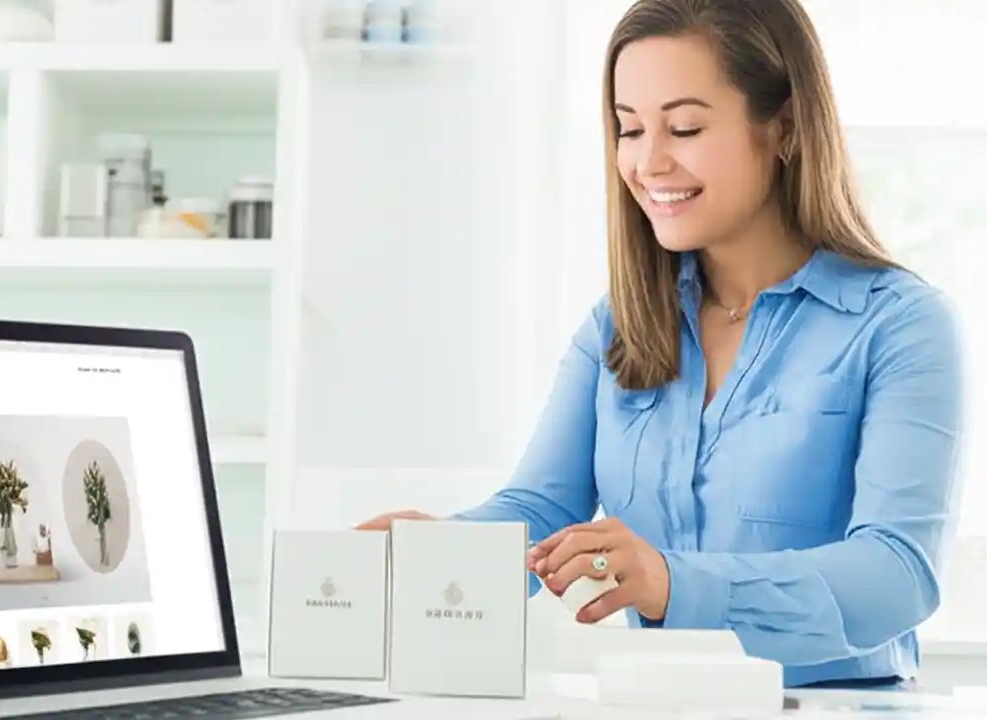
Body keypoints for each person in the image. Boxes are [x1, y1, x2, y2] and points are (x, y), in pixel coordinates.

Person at [356, 0, 964, 689]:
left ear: (785, 127)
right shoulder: (618, 325)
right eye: (629, 129)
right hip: (654, 700)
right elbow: (540, 512)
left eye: (684, 127)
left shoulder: (901, 325)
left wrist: (673, 581)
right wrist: (440, 549)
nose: (649, 163)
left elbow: (898, 574)